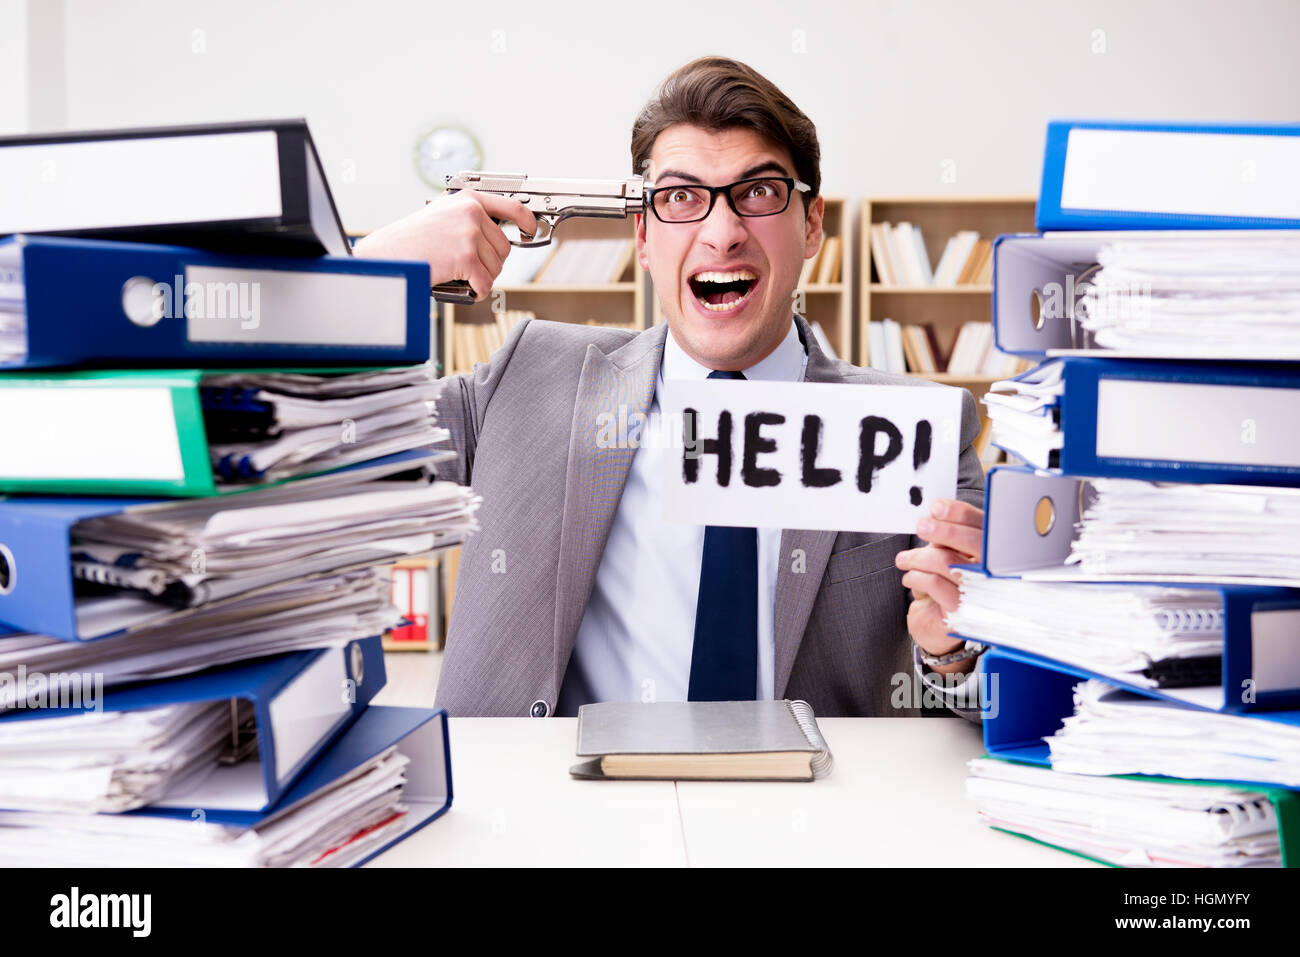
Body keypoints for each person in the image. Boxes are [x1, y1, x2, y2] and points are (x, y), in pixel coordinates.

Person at [356, 56, 986, 718]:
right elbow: (293, 455)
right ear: (644, 235)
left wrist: (951, 654)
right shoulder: (526, 378)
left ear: (810, 225)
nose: (722, 233)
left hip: (812, 810)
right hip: (557, 807)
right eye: (682, 197)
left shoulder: (916, 431)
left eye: (760, 192)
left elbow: (985, 698)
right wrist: (372, 274)